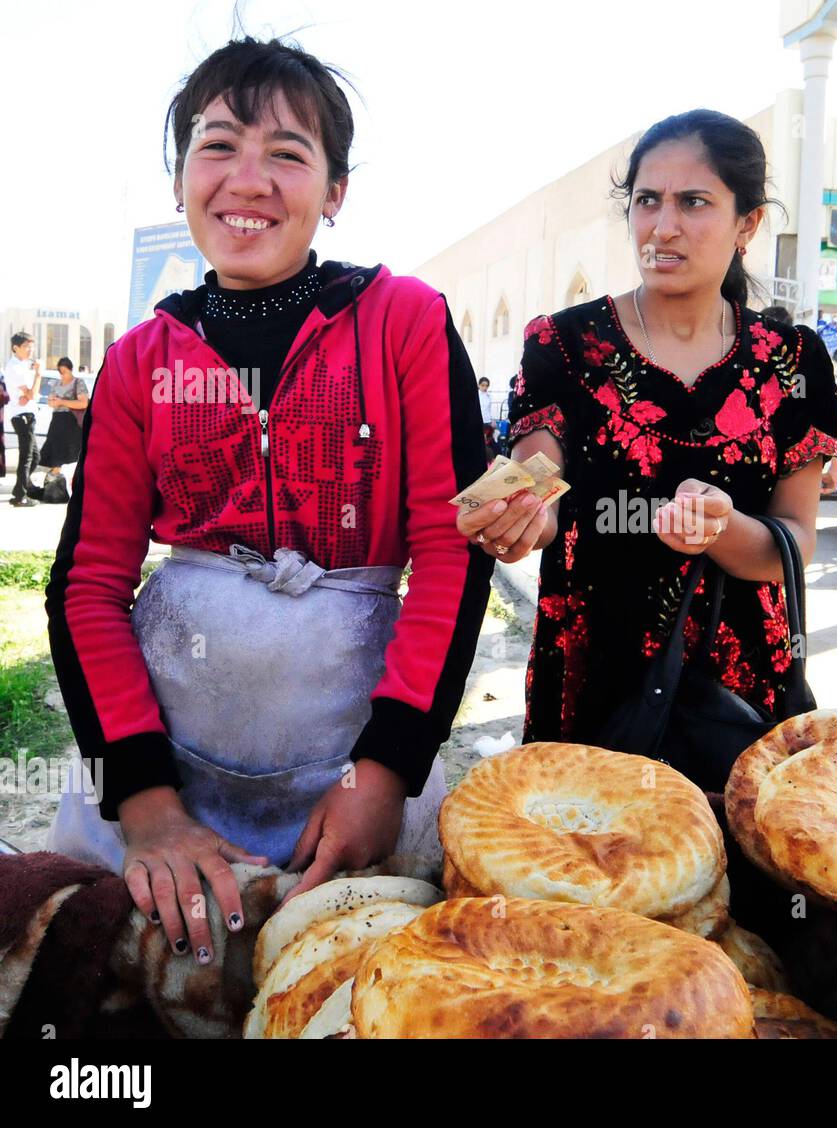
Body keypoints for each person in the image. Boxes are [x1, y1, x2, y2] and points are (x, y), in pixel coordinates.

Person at [45, 36, 493, 963]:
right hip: (168, 764)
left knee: (356, 983)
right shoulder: (139, 362)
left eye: (288, 153)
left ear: (334, 193)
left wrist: (386, 773)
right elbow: (87, 587)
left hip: (356, 763)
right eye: (217, 146)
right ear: (178, 182)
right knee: (146, 980)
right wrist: (147, 807)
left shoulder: (405, 320)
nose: (247, 179)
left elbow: (454, 551)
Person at [456, 108, 837, 748]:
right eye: (647, 201)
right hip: (596, 674)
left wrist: (720, 530)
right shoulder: (565, 344)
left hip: (739, 688)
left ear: (746, 223)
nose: (662, 228)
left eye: (694, 202)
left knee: (734, 841)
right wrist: (512, 510)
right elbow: (538, 477)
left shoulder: (792, 359)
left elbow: (795, 544)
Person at [4, 332, 41, 506]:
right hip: (21, 415)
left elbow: (30, 394)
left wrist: (29, 394)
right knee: (27, 456)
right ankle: (20, 496)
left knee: (35, 457)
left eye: (31, 346)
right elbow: (31, 393)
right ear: (15, 348)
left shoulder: (25, 365)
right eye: (26, 346)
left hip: (28, 413)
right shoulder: (14, 367)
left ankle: (19, 488)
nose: (30, 349)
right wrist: (38, 375)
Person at [37, 357, 89, 478]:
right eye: (60, 372)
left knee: (71, 454)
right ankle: (55, 481)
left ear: (70, 370)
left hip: (71, 422)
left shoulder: (78, 382)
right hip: (57, 421)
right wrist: (54, 402)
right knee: (55, 453)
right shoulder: (56, 384)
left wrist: (62, 402)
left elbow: (83, 403)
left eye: (64, 371)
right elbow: (50, 401)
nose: (63, 375)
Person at [478, 376, 497, 454]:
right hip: (479, 421)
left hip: (488, 421)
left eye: (486, 385)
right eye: (482, 385)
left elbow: (491, 409)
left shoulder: (489, 396)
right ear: (479, 385)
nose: (484, 387)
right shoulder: (476, 395)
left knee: (488, 441)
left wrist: (493, 420)